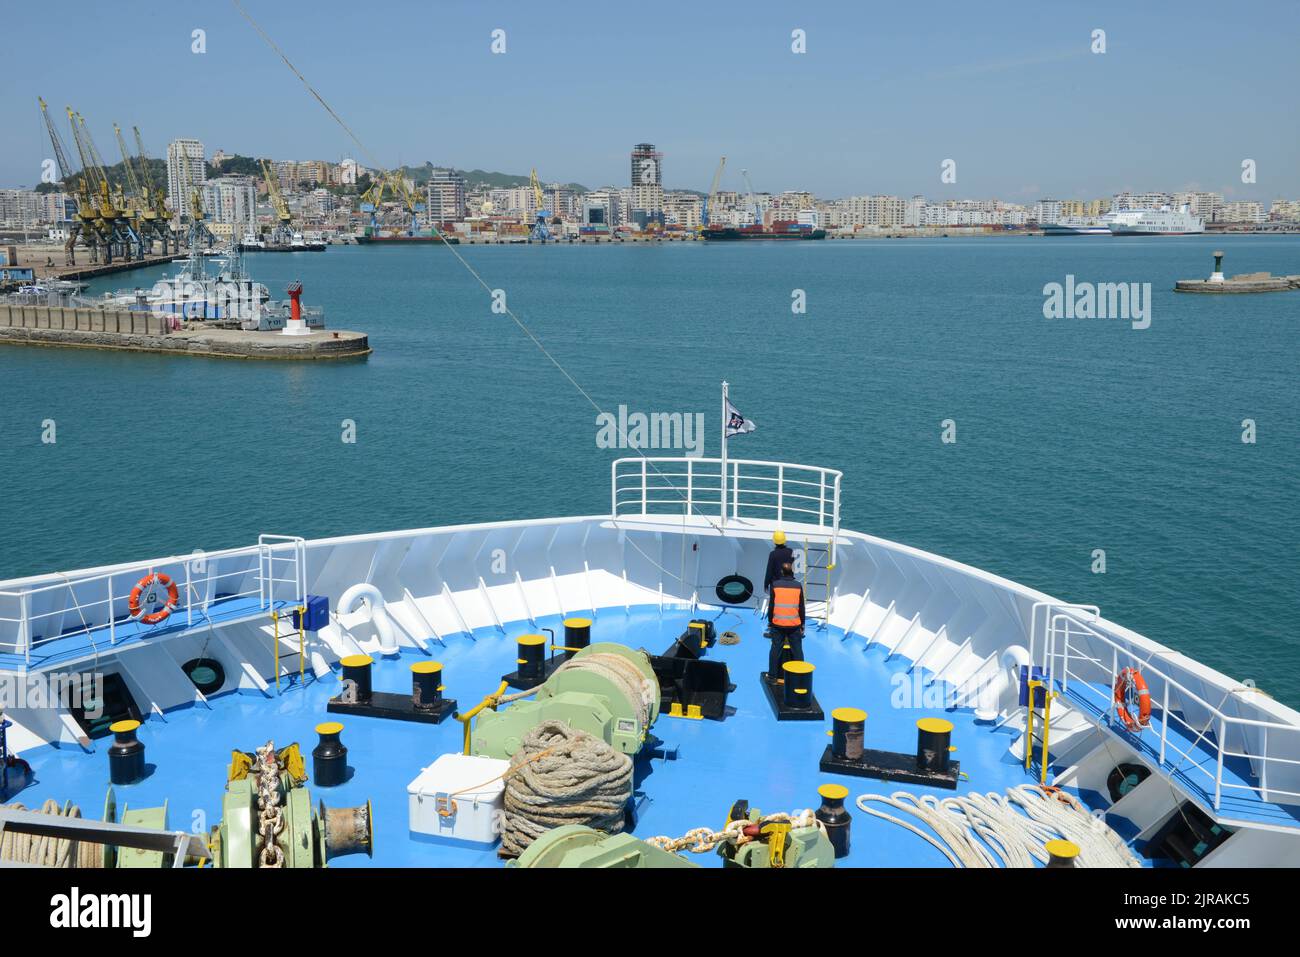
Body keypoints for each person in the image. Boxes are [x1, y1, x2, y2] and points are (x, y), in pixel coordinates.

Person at [765, 561, 805, 681]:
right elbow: (801, 607)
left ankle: (772, 676)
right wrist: (802, 624)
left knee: (775, 649)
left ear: (782, 572)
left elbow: (771, 606)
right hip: (794, 625)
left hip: (778, 624)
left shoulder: (775, 585)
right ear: (792, 571)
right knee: (797, 650)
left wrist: (770, 622)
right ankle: (800, 677)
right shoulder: (798, 585)